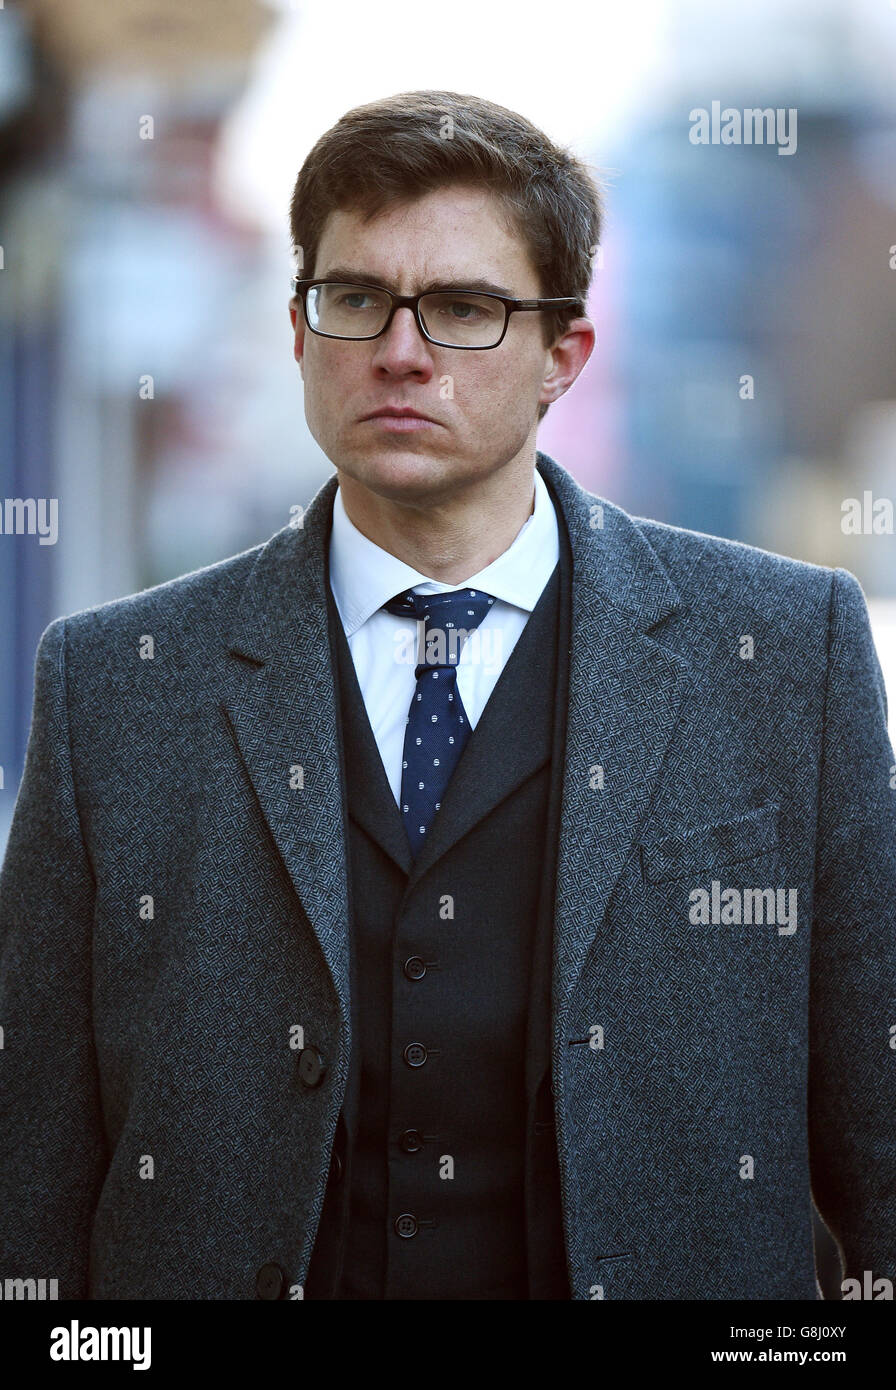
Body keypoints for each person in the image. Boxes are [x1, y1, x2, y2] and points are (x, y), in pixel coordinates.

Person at [1, 89, 893, 1301]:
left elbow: (877, 1145)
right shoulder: (112, 684)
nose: (400, 350)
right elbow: (31, 1179)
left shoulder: (790, 653)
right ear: (299, 329)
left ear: (562, 357)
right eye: (355, 298)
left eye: (465, 309)